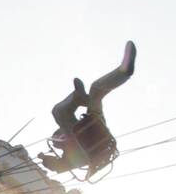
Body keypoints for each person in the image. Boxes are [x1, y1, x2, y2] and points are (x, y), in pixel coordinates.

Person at [38, 41, 137, 178]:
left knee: (96, 90)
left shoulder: (75, 141)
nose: (61, 138)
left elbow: (58, 166)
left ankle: (123, 72)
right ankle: (79, 99)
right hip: (93, 134)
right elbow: (58, 166)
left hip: (94, 127)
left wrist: (45, 159)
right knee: (59, 112)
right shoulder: (73, 154)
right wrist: (45, 159)